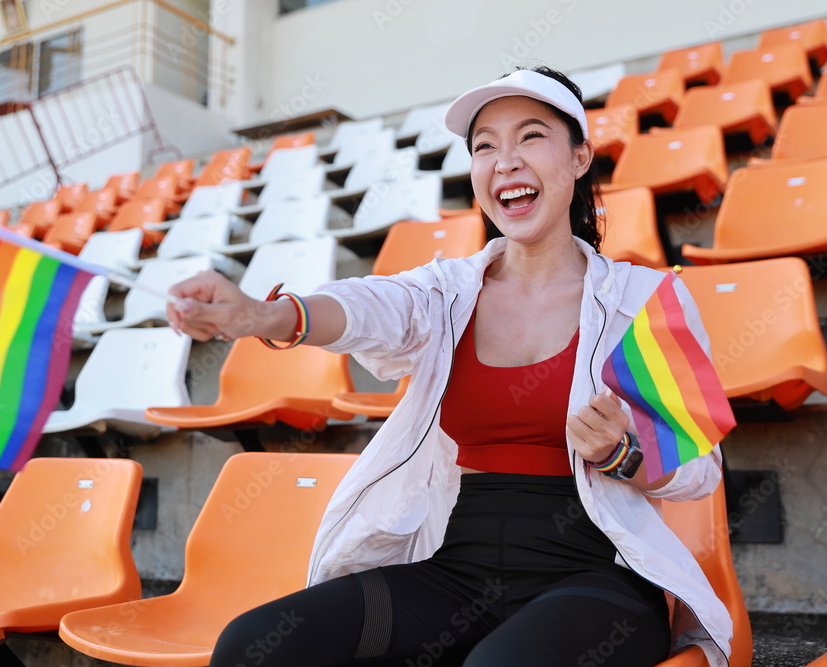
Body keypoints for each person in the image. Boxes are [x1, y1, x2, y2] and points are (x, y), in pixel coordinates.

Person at [166, 66, 733, 667]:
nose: (505, 161)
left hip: (597, 578)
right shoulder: (446, 292)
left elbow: (699, 470)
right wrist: (264, 317)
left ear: (579, 157)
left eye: (531, 136)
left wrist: (622, 454)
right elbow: (369, 307)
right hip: (457, 571)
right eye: (484, 145)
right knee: (252, 647)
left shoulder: (641, 300)